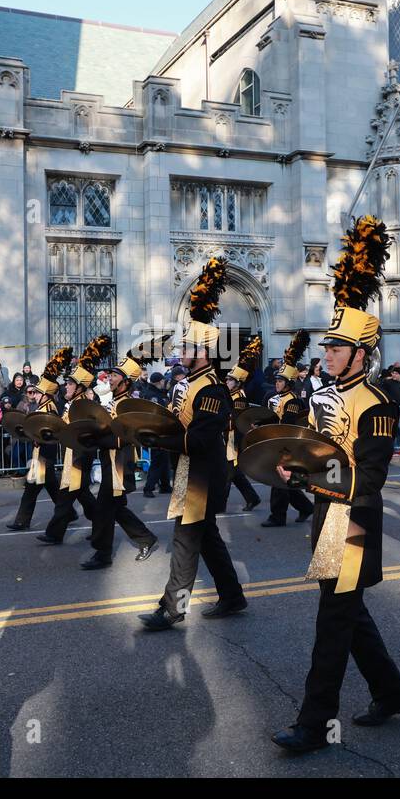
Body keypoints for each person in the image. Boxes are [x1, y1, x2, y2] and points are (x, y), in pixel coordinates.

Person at [271, 217, 400, 753]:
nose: (326, 354)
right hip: (326, 517)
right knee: (347, 615)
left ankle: (313, 723)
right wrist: (291, 465)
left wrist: (311, 476)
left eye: (336, 348)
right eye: (326, 347)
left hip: (352, 522)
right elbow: (312, 452)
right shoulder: (322, 398)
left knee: (332, 624)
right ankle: (392, 692)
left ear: (361, 354)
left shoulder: (376, 405)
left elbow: (369, 481)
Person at [139, 258, 248, 630]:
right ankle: (233, 595)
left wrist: (160, 438)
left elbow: (198, 438)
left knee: (186, 542)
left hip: (204, 475)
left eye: (187, 347)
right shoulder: (191, 384)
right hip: (191, 472)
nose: (181, 352)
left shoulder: (214, 389)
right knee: (207, 540)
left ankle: (172, 608)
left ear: (204, 354)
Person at [80, 348, 159, 569]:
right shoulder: (116, 401)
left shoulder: (126, 405)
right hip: (110, 461)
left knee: (105, 508)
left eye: (114, 375)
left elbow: (121, 439)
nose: (110, 378)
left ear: (124, 382)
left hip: (119, 463)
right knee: (114, 508)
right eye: (111, 375)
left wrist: (95, 439)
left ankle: (103, 553)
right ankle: (145, 538)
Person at [37, 337, 106, 544]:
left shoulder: (83, 405)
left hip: (80, 456)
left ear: (79, 388)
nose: (65, 386)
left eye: (69, 383)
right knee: (82, 496)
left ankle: (55, 534)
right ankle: (99, 528)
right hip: (72, 455)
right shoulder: (74, 403)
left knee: (66, 497)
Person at [8, 348, 71, 530]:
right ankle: (68, 512)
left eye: (37, 392)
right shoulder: (42, 405)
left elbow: (50, 430)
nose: (34, 394)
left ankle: (22, 521)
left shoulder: (49, 407)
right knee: (50, 484)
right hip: (40, 452)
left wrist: (34, 435)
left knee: (31, 487)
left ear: (45, 394)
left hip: (45, 452)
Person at [262, 331, 314, 528]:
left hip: (287, 443)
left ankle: (278, 516)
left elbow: (286, 423)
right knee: (286, 479)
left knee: (278, 481)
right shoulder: (274, 398)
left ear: (289, 383)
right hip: (277, 441)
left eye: (281, 381)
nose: (277, 383)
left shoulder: (292, 401)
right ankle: (306, 507)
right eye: (276, 380)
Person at [224, 333, 264, 514]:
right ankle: (252, 497)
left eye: (230, 380)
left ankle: (220, 504)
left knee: (228, 472)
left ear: (238, 382)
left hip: (235, 438)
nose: (227, 381)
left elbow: (236, 419)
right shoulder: (231, 395)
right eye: (227, 379)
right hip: (228, 437)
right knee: (234, 473)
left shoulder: (239, 397)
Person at [141, 372, 173, 497]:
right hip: (157, 431)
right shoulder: (153, 396)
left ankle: (165, 485)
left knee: (164, 459)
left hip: (162, 431)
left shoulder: (158, 394)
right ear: (159, 382)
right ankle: (148, 488)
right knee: (158, 460)